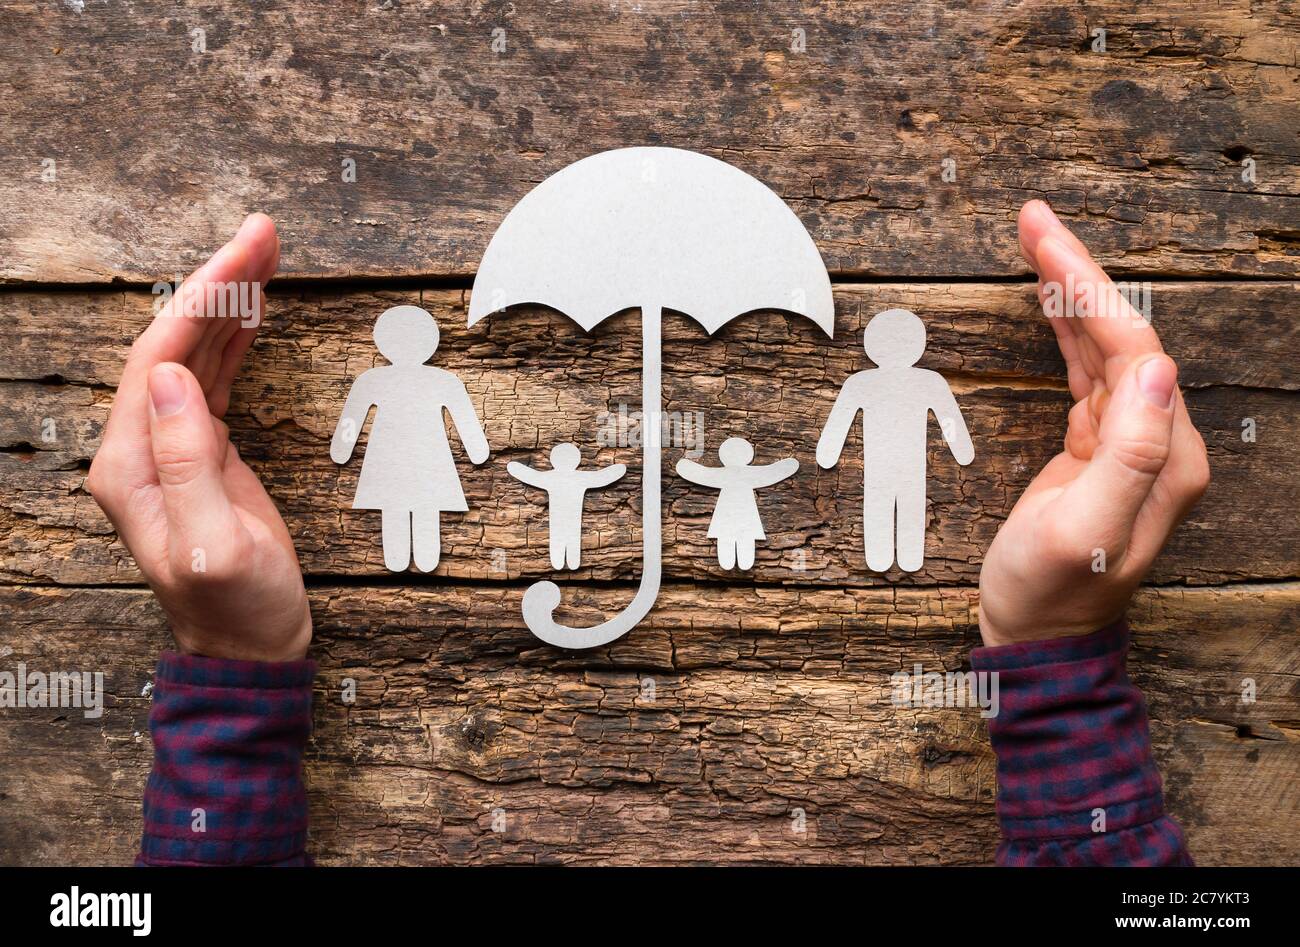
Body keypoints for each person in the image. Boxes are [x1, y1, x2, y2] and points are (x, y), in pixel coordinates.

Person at [86, 201, 1208, 865]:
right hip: (417, 474)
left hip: (877, 492)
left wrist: (232, 677)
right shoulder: (399, 388)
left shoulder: (891, 393)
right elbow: (432, 428)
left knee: (889, 509)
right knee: (414, 516)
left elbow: (837, 438)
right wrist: (1057, 648)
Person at [331, 305, 489, 573]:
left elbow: (350, 421)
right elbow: (466, 423)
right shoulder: (443, 380)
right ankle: (417, 559)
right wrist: (477, 450)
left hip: (395, 457)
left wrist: (342, 449)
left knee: (398, 505)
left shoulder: (373, 379)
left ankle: (408, 559)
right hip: (425, 456)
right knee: (417, 503)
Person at [816, 308, 974, 573]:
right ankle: (902, 557)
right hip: (904, 464)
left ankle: (887, 557)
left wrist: (828, 453)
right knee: (903, 501)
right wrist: (962, 450)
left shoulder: (862, 382)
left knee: (881, 502)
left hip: (887, 463)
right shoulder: (927, 381)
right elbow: (950, 421)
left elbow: (838, 424)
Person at [675, 437, 799, 571]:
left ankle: (732, 562)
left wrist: (686, 466)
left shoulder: (724, 474)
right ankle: (737, 562)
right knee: (742, 536)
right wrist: (788, 465)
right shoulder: (749, 474)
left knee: (729, 536)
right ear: (749, 455)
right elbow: (772, 472)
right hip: (744, 513)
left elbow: (702, 473)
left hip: (728, 513)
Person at [506, 443, 625, 570]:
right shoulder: (580, 477)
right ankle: (570, 561)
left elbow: (532, 476)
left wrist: (514, 467)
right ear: (577, 460)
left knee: (559, 536)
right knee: (571, 535)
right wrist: (618, 469)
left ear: (553, 460)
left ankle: (561, 561)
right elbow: (600, 477)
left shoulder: (551, 477)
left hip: (559, 518)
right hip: (572, 517)